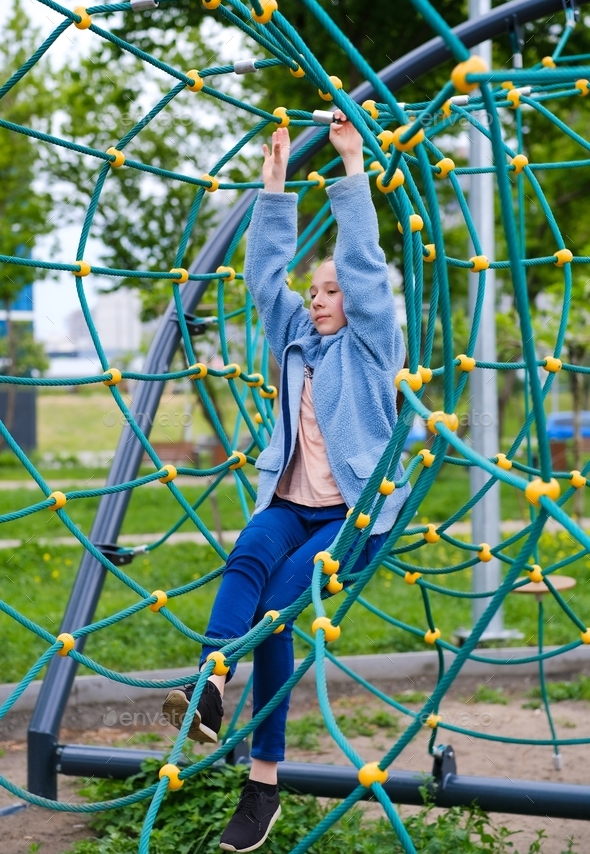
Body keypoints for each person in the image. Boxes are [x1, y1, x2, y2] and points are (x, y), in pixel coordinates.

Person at [162, 109, 410, 853]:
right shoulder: (296, 342)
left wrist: (350, 167)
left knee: (277, 609)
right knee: (247, 558)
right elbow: (264, 278)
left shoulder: (373, 346)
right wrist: (273, 189)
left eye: (330, 289)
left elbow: (364, 266)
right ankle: (210, 682)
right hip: (291, 504)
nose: (319, 295)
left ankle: (261, 780)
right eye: (317, 287)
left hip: (353, 520)